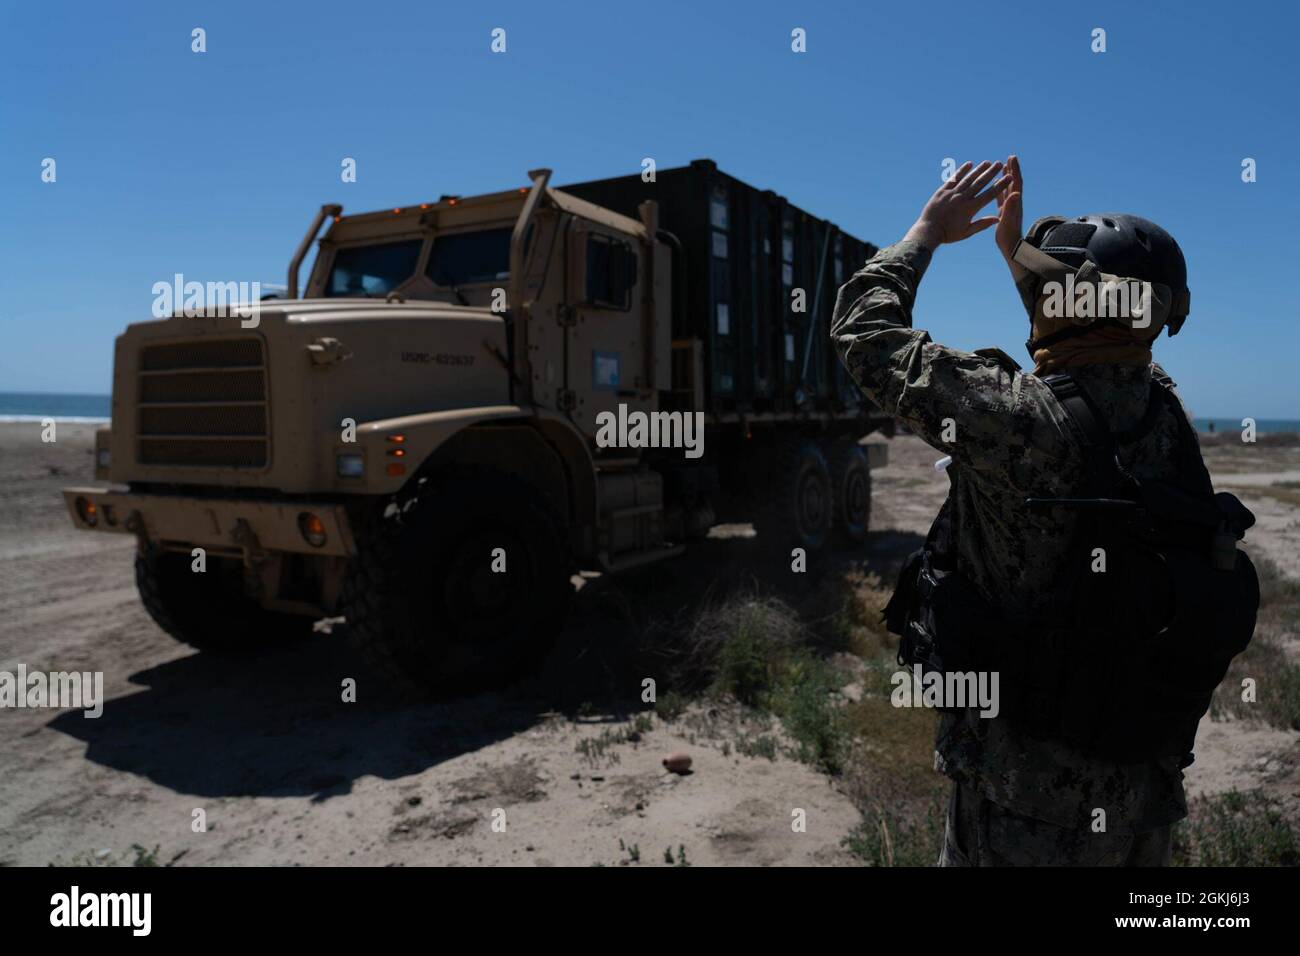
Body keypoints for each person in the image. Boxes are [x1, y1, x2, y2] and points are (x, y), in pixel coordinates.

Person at [830, 158, 1205, 866]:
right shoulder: (1170, 417)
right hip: (1144, 795)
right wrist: (1027, 266)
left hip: (1024, 798)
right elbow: (1106, 352)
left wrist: (925, 235)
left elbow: (863, 333)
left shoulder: (1014, 419)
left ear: (1065, 305)